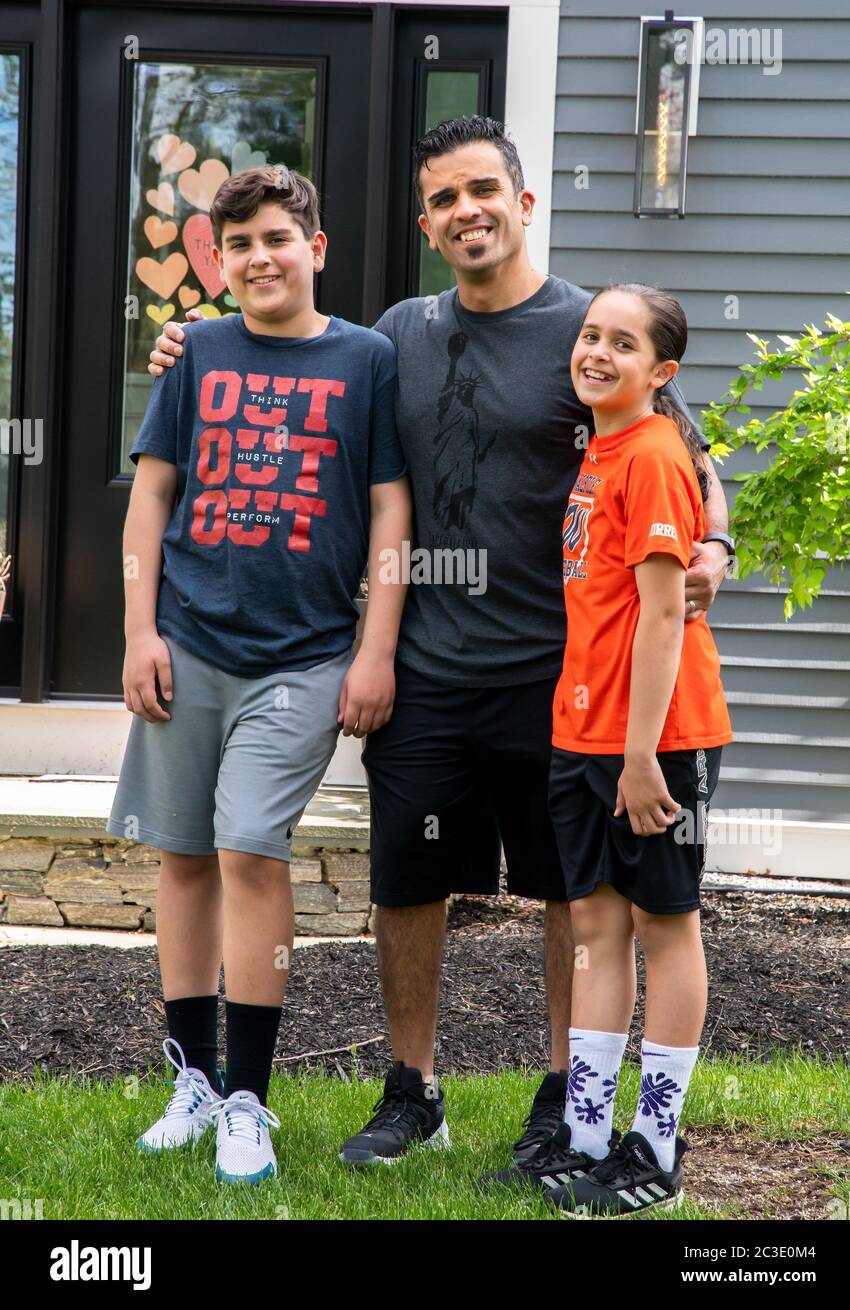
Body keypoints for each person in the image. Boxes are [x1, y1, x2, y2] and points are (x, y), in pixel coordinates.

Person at [147, 118, 734, 1176]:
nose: (465, 211)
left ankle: (565, 1096)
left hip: (561, 676)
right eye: (443, 200)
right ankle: (412, 1089)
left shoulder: (588, 330)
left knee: (567, 892)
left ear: (522, 201)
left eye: (482, 190)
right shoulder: (395, 336)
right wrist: (189, 343)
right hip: (423, 665)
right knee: (407, 885)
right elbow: (295, 366)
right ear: (425, 223)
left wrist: (717, 543)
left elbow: (681, 446)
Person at [107, 164, 411, 1185]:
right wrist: (137, 630)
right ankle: (191, 1082)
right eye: (237, 245)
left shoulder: (364, 359)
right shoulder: (193, 351)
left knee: (249, 846)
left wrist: (374, 647)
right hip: (187, 640)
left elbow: (387, 511)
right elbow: (151, 498)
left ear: (314, 249)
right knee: (184, 855)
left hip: (304, 654)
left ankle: (249, 1099)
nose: (258, 257)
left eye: (276, 238)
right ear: (218, 260)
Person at [539, 284, 733, 1216]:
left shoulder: (654, 455)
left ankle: (654, 1149)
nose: (598, 352)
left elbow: (665, 613)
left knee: (664, 925)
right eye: (590, 335)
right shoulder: (603, 447)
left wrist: (643, 756)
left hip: (656, 739)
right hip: (584, 731)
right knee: (594, 928)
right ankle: (583, 1141)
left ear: (663, 372)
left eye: (624, 342)